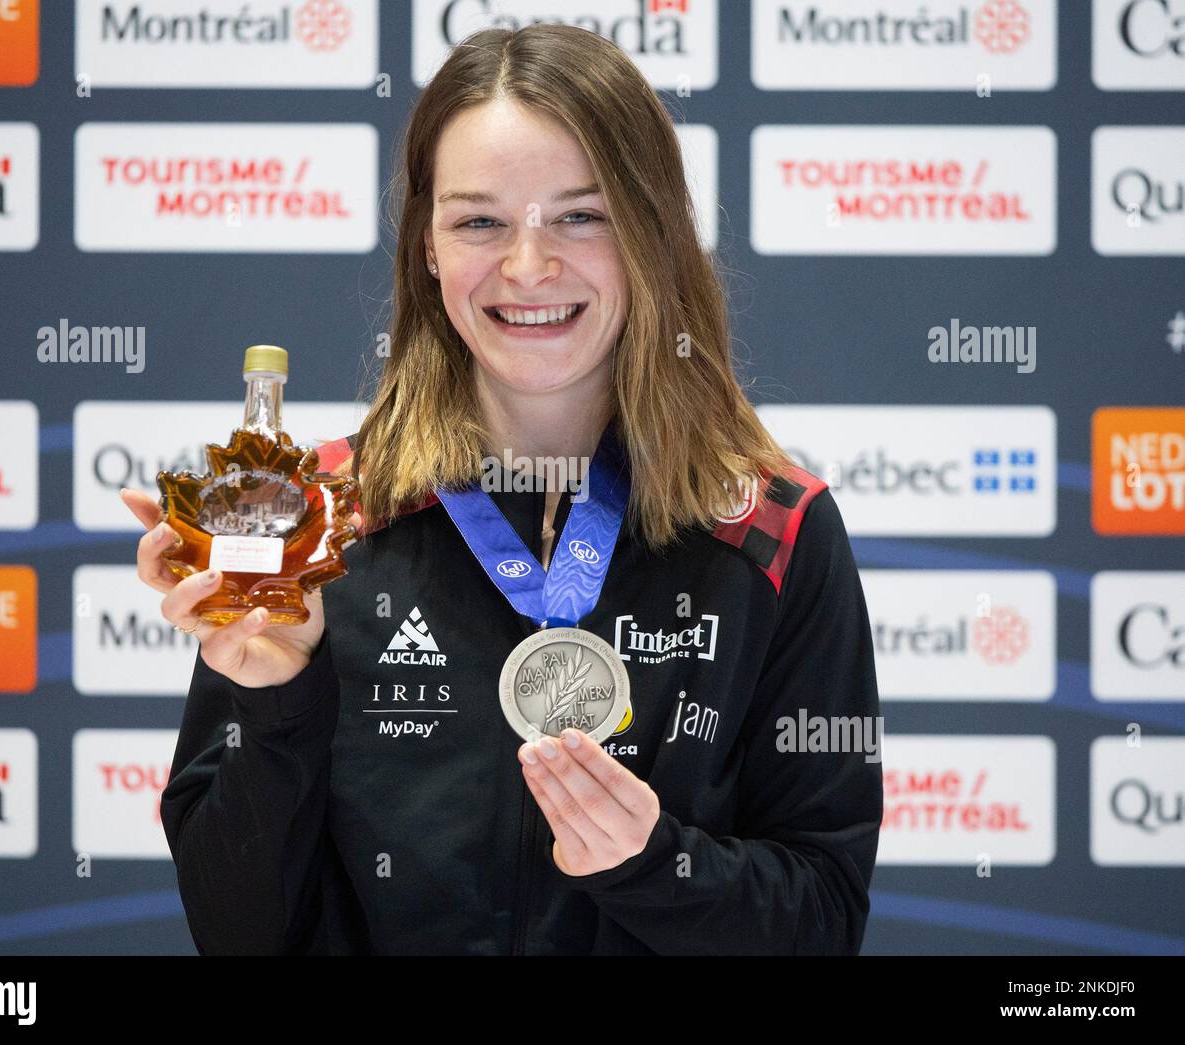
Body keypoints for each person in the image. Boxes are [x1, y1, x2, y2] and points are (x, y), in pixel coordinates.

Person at [121, 24, 882, 956]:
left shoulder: (772, 532)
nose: (528, 266)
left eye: (581, 214)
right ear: (428, 248)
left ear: (652, 235)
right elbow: (238, 933)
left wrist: (653, 865)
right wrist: (280, 703)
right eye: (479, 220)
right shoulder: (309, 526)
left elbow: (824, 919)